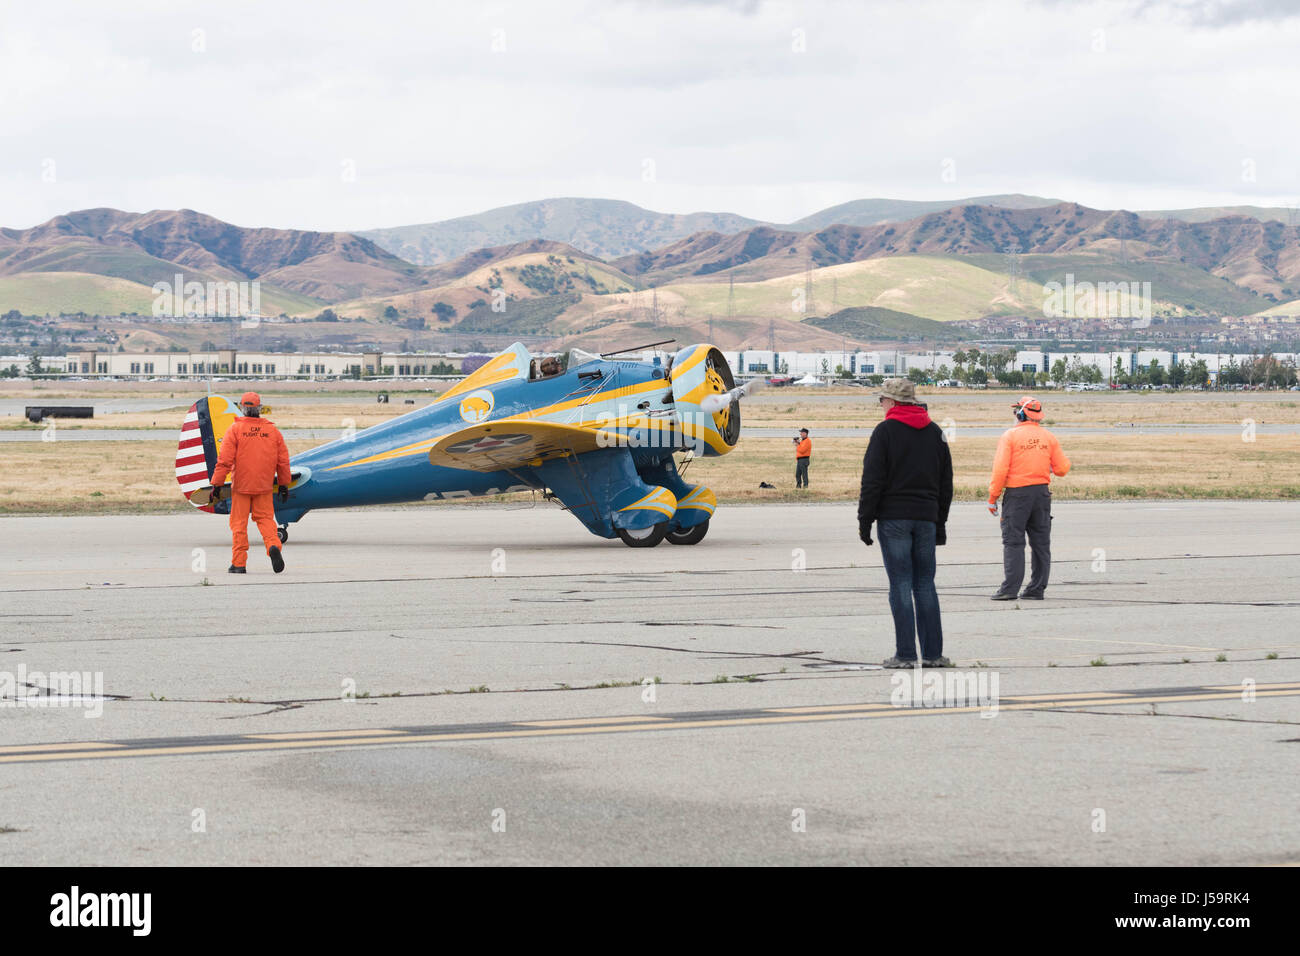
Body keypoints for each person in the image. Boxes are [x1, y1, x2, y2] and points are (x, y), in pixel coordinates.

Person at [858, 378, 954, 668]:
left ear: (893, 402)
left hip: (894, 518)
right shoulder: (935, 432)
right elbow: (945, 483)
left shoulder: (885, 432)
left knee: (900, 584)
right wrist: (940, 522)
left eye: (882, 400)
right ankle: (934, 655)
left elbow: (872, 481)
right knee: (925, 584)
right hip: (925, 518)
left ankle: (906, 655)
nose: (881, 405)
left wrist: (865, 520)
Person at [988, 396, 1071, 600]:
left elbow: (1000, 470)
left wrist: (993, 497)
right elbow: (1063, 468)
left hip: (1017, 496)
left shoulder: (1010, 436)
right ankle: (1036, 589)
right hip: (1042, 495)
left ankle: (1009, 590)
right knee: (1041, 543)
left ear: (1021, 413)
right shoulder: (1048, 437)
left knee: (1014, 542)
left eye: (1016, 411)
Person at [210, 391, 291, 575]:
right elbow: (283, 461)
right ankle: (273, 546)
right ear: (259, 408)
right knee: (266, 520)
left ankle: (239, 564)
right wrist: (284, 484)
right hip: (263, 486)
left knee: (239, 524)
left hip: (241, 486)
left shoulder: (235, 430)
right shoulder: (273, 431)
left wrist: (216, 484)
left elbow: (224, 460)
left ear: (242, 408)